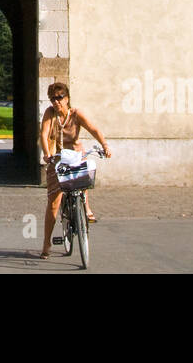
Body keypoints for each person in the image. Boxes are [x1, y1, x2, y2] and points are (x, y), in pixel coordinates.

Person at [37, 82, 111, 260]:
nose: (56, 102)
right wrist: (47, 154)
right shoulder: (50, 113)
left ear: (67, 98)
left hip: (76, 158)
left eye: (59, 98)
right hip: (59, 160)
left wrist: (105, 145)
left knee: (83, 176)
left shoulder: (76, 114)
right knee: (54, 203)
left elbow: (93, 128)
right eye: (53, 98)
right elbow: (44, 134)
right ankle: (46, 242)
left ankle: (85, 206)